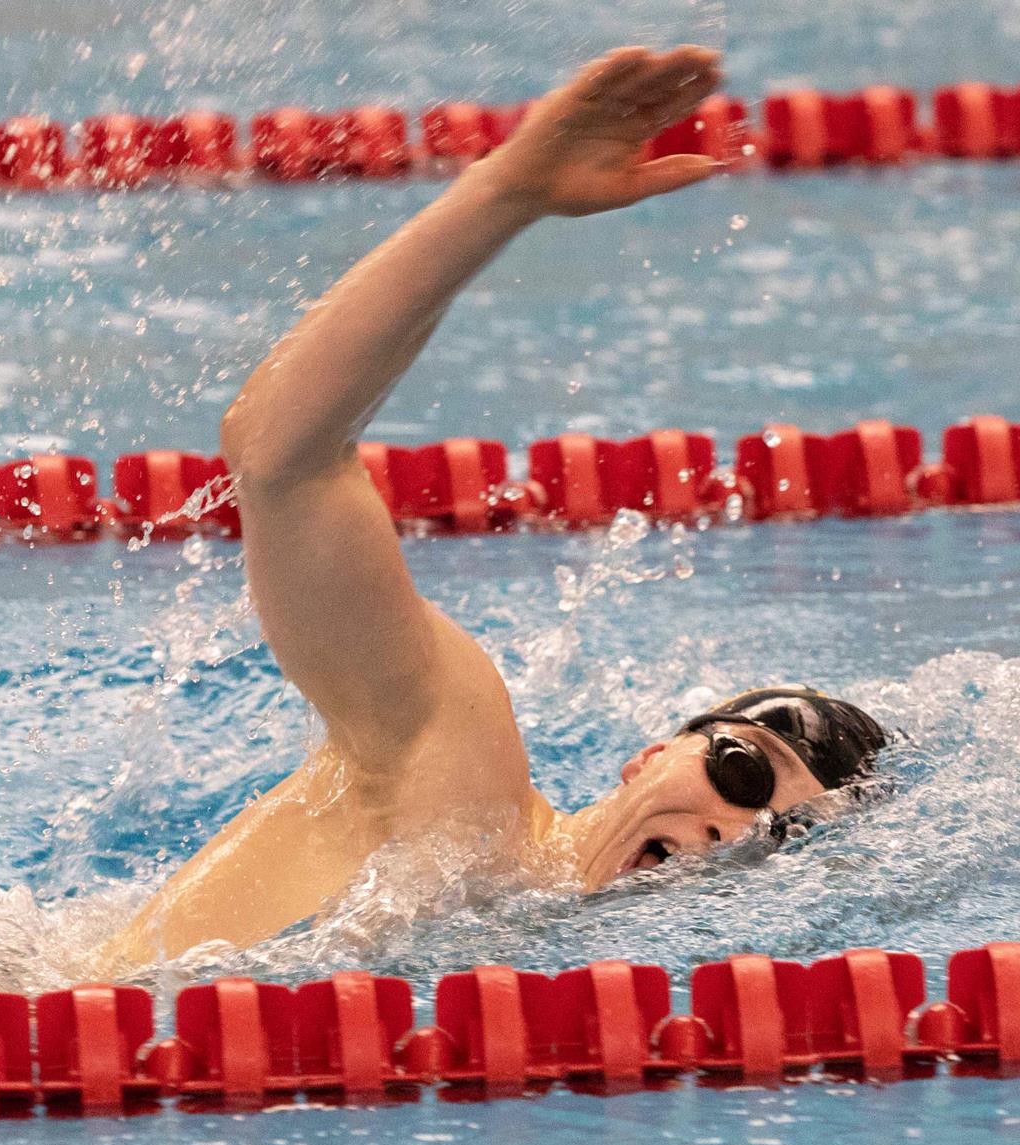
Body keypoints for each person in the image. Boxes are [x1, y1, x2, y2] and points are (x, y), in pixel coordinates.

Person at [102, 45, 887, 971]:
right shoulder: (463, 787)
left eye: (777, 833)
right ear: (648, 755)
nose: (733, 830)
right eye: (742, 772)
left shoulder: (558, 965)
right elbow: (281, 457)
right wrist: (507, 192)